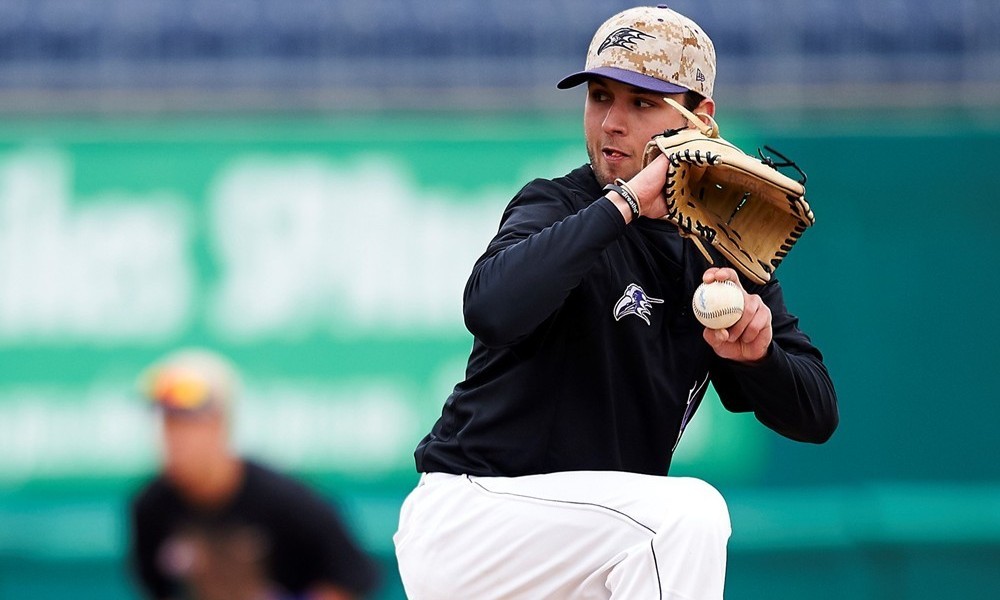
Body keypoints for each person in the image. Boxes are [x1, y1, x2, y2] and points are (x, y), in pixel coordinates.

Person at [393, 5, 838, 599]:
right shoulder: (558, 205)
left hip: (591, 550)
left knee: (663, 530)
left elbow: (816, 413)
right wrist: (626, 203)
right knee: (686, 515)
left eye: (642, 103)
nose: (612, 123)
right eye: (600, 97)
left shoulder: (720, 248)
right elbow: (490, 309)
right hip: (477, 514)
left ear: (700, 119)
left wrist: (759, 356)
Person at [128, 348, 380, 600]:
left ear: (222, 424)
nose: (177, 439)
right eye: (168, 424)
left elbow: (351, 579)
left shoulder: (288, 502)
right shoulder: (151, 509)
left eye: (189, 425)